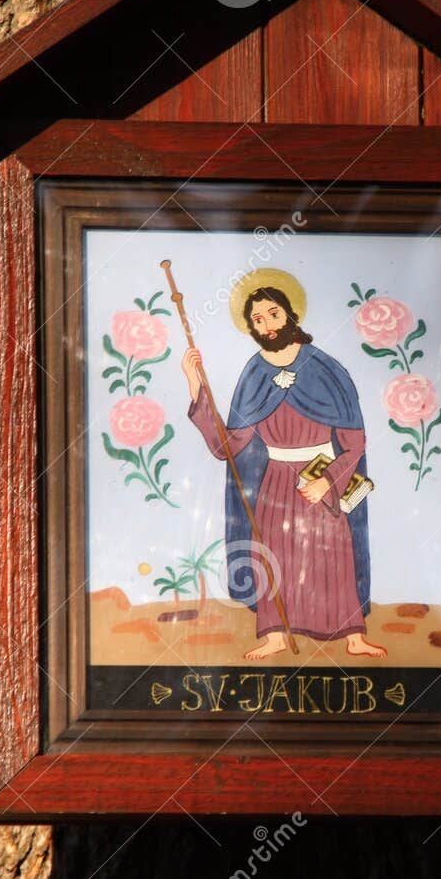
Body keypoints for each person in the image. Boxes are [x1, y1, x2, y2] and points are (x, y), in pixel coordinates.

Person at [182, 269, 386, 662]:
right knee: (275, 554)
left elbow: (355, 443)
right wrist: (195, 385)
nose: (267, 325)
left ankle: (352, 634)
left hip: (320, 478)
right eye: (258, 319)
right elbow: (229, 446)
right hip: (275, 482)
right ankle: (274, 633)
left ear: (290, 314)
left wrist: (327, 482)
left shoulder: (326, 369)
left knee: (334, 553)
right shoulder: (254, 373)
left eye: (273, 314)